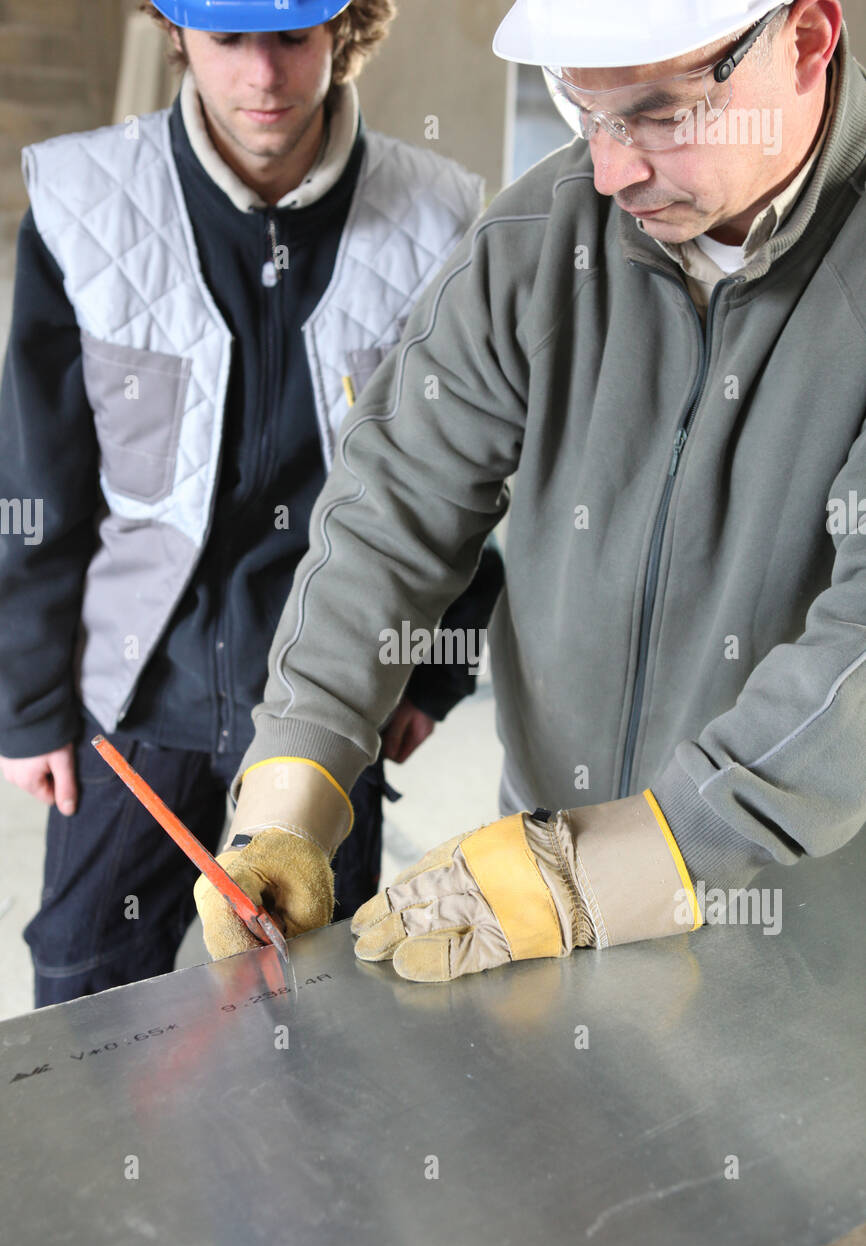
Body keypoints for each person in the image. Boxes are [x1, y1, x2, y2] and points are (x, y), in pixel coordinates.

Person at [195, 0, 866, 982]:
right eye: (582, 112)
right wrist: (291, 787)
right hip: (541, 872)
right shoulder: (540, 237)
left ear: (804, 41)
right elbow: (389, 516)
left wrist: (621, 864)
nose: (607, 172)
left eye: (656, 113)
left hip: (802, 914)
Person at [0, 0, 501, 1005]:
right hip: (133, 700)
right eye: (229, 39)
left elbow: (466, 479)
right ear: (175, 30)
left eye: (292, 37)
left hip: (329, 697)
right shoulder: (83, 197)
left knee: (309, 1002)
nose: (264, 76)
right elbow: (37, 474)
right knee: (87, 978)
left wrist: (435, 671)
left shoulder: (442, 214)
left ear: (345, 30)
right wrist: (27, 704)